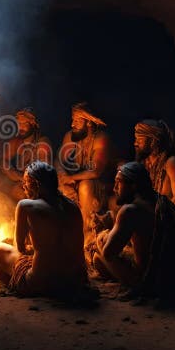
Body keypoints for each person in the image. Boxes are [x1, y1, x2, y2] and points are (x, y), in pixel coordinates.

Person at [94, 162, 175, 299]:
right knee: (102, 255)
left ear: (133, 185)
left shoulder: (130, 211)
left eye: (118, 183)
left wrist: (103, 233)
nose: (114, 188)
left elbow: (109, 253)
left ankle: (137, 285)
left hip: (152, 280)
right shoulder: (161, 201)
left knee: (100, 248)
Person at [0, 161, 87, 297]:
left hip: (41, 283)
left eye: (25, 182)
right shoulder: (73, 206)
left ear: (35, 184)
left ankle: (16, 287)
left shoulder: (25, 206)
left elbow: (19, 248)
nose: (23, 186)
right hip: (74, 281)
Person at [57, 103, 115, 266]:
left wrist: (73, 178)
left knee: (86, 186)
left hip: (99, 185)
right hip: (77, 180)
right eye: (72, 120)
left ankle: (88, 239)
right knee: (60, 188)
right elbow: (59, 161)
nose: (72, 124)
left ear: (89, 123)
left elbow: (96, 172)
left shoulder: (101, 139)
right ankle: (66, 235)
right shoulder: (70, 137)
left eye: (76, 121)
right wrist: (63, 176)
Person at [0, 108, 52, 202]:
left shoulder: (42, 142)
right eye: (19, 124)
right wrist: (15, 174)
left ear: (33, 124)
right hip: (22, 180)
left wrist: (27, 180)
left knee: (19, 193)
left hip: (38, 183)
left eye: (24, 124)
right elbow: (3, 162)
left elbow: (44, 170)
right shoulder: (16, 142)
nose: (21, 127)